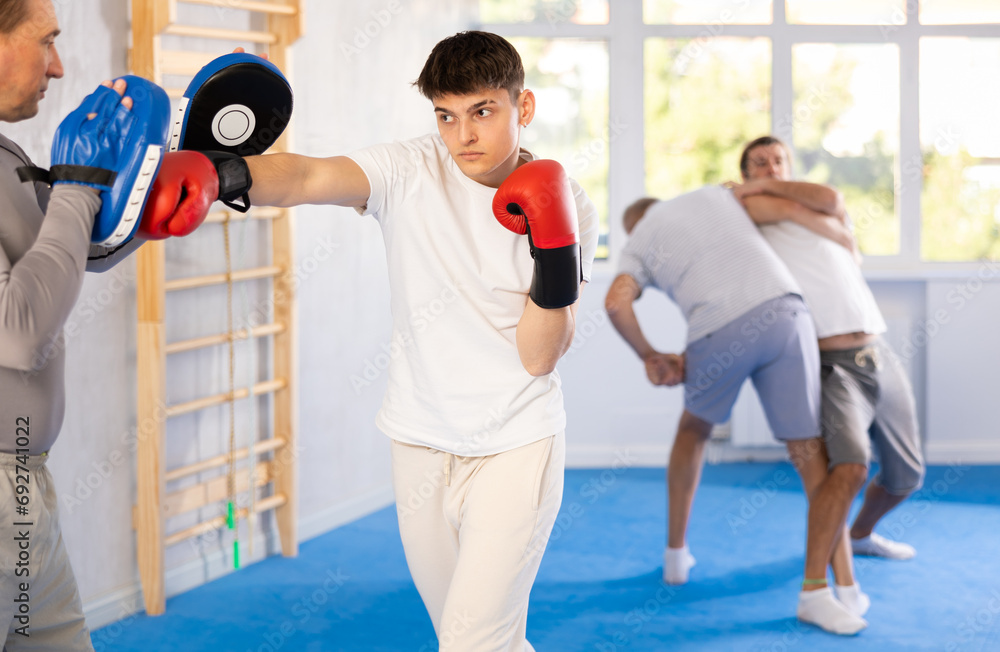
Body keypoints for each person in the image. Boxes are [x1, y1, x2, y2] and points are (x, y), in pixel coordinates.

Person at [242, 31, 598, 651]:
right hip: (419, 442)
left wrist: (553, 246)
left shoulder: (571, 204)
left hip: (516, 444)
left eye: (482, 112)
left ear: (524, 107)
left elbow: (539, 354)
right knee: (482, 640)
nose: (463, 136)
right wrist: (216, 173)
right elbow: (303, 176)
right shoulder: (409, 169)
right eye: (446, 116)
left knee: (470, 642)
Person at [1, 2, 214, 649]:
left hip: (20, 481)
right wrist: (77, 184)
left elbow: (62, 256)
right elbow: (20, 328)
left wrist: (148, 214)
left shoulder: (3, 152)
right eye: (45, 43)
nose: (58, 67)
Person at [605, 185, 868, 635]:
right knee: (809, 453)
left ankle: (675, 557)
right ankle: (837, 589)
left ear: (634, 223)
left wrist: (651, 355)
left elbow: (615, 303)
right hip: (788, 313)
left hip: (718, 326)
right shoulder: (714, 195)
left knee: (694, 430)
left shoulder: (638, 238)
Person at [731, 136, 925, 562]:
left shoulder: (816, 207)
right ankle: (820, 573)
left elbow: (831, 197)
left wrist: (822, 218)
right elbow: (789, 206)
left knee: (906, 476)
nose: (771, 169)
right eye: (759, 164)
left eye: (779, 161)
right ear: (744, 177)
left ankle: (858, 536)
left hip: (877, 349)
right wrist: (824, 222)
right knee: (851, 465)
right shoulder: (752, 215)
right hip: (829, 362)